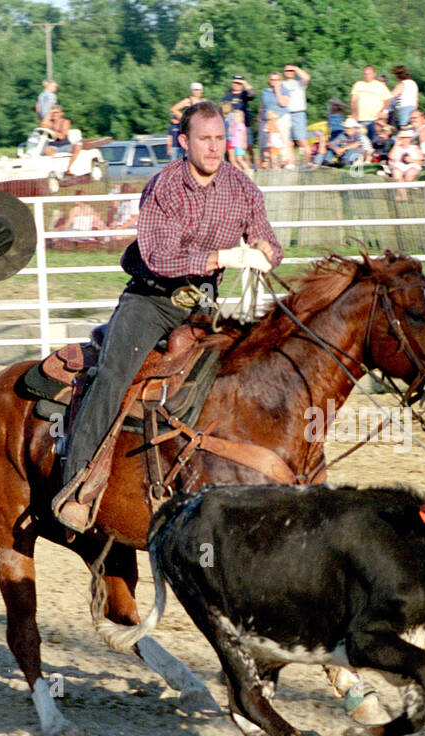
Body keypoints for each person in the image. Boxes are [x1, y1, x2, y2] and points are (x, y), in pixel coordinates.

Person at [52, 101, 282, 531]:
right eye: (204, 140)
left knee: (240, 369)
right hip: (151, 299)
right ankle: (76, 484)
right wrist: (224, 254)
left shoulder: (242, 188)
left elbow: (266, 236)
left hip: (203, 302)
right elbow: (159, 257)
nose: (214, 148)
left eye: (219, 139)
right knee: (113, 374)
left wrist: (268, 251)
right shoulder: (164, 187)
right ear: (183, 142)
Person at [280, 64, 311, 166]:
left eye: (291, 70)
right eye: (287, 70)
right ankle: (291, 163)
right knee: (288, 142)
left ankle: (309, 162)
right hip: (285, 114)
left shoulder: (299, 82)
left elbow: (307, 77)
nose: (289, 72)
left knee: (301, 140)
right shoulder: (282, 84)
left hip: (298, 113)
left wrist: (296, 68)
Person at [350, 65, 391, 139]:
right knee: (362, 141)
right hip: (361, 120)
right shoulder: (358, 84)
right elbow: (353, 101)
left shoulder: (380, 85)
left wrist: (382, 111)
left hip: (374, 120)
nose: (367, 76)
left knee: (375, 140)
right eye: (365, 74)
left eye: (369, 74)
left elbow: (388, 99)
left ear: (374, 74)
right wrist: (354, 114)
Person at [170, 83, 205, 157]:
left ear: (202, 91)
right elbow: (174, 109)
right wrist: (184, 118)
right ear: (191, 91)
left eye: (198, 90)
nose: (197, 92)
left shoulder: (204, 101)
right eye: (195, 90)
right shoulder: (189, 100)